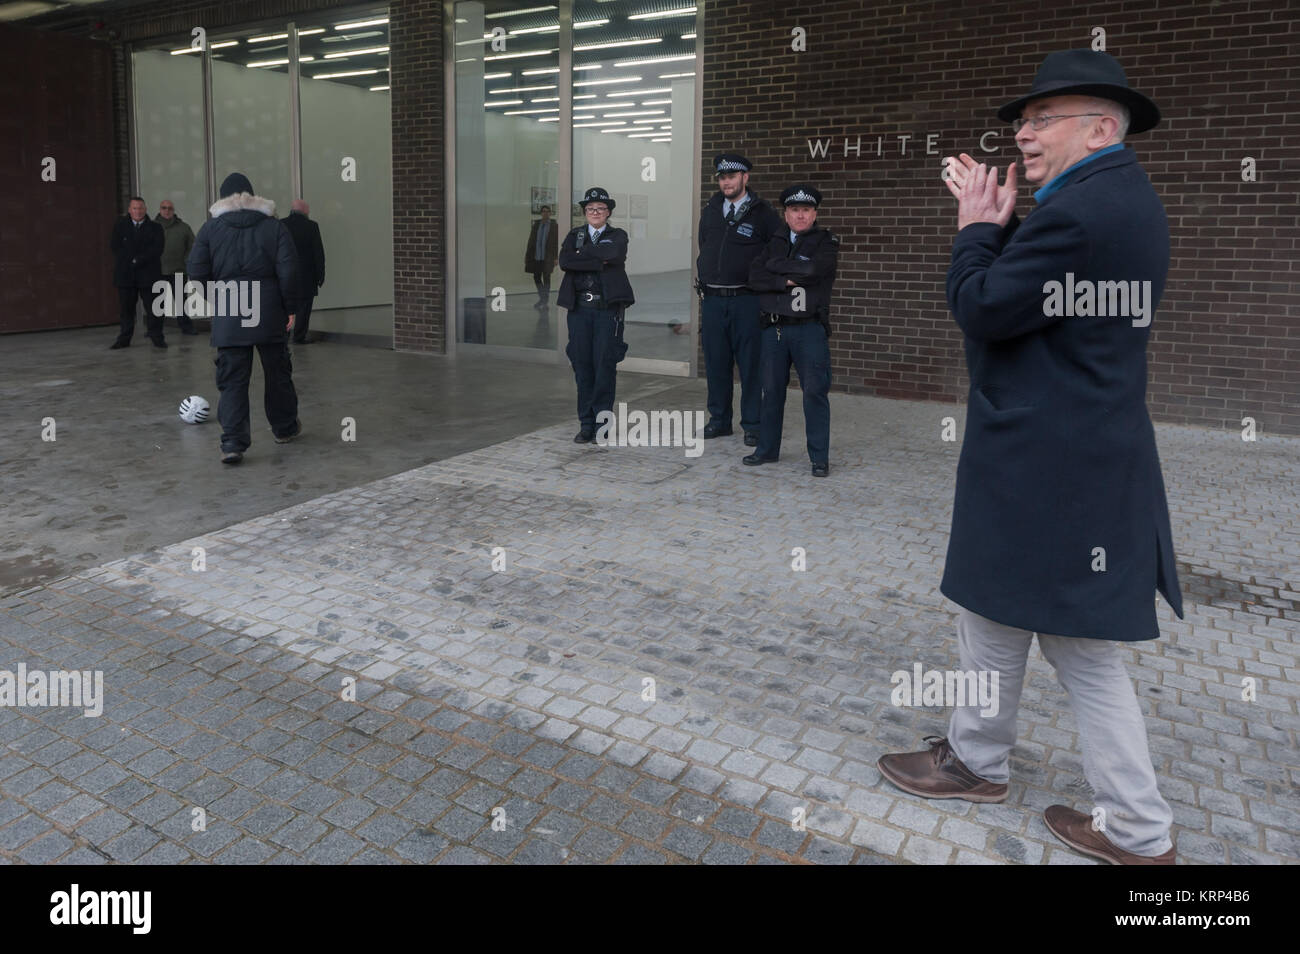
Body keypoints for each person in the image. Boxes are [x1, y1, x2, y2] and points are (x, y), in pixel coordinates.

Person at [876, 50, 1185, 865]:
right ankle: (976, 758)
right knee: (992, 609)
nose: (1024, 131)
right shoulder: (1108, 198)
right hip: (1072, 458)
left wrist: (977, 229)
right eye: (1024, 118)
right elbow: (1048, 291)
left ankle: (1139, 830)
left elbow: (985, 306)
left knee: (1082, 651)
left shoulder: (1079, 212)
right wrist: (1010, 226)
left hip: (1054, 469)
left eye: (1044, 118)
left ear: (1102, 126)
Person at [186, 172, 302, 465]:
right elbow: (289, 271)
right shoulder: (274, 227)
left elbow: (196, 273)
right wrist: (289, 307)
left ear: (223, 199)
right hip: (268, 312)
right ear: (253, 196)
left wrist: (220, 300)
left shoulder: (210, 229)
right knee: (278, 374)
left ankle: (233, 443)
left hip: (230, 312)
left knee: (232, 380)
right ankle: (285, 429)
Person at [743, 185, 839, 477]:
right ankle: (767, 449)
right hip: (775, 330)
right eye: (794, 210)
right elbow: (754, 277)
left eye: (806, 210)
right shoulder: (774, 241)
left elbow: (813, 272)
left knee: (815, 392)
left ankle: (819, 458)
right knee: (770, 391)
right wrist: (786, 277)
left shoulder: (825, 242)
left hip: (809, 329)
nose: (800, 215)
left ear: (814, 213)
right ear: (786, 213)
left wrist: (776, 269)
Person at [695, 154, 782, 445]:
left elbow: (777, 252)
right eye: (722, 177)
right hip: (713, 300)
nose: (726, 182)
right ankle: (719, 420)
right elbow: (704, 244)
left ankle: (753, 424)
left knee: (750, 366)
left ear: (746, 178)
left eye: (732, 176)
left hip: (747, 300)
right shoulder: (710, 210)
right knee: (716, 364)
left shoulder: (763, 214)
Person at [557, 187, 634, 443]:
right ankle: (586, 423)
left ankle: (602, 424)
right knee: (582, 366)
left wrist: (583, 257)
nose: (595, 212)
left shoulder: (617, 235)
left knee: (604, 366)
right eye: (591, 209)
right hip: (579, 310)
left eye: (600, 209)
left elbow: (613, 254)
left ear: (608, 212)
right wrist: (596, 260)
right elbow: (565, 261)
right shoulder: (574, 235)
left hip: (606, 311)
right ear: (585, 212)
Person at [109, 196, 165, 349]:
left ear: (145, 209)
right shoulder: (120, 226)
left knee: (154, 310)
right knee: (126, 310)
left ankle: (157, 337)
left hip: (149, 275)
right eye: (135, 208)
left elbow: (157, 249)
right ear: (129, 210)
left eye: (140, 208)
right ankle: (124, 339)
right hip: (126, 276)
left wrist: (138, 259)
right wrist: (131, 259)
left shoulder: (156, 228)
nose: (138, 211)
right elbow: (115, 247)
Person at [282, 199, 326, 344]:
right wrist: (320, 275)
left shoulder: (281, 224)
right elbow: (318, 253)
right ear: (305, 211)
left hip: (285, 274)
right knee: (304, 308)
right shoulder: (311, 226)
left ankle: (284, 334)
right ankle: (299, 336)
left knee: (284, 305)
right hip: (306, 275)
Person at [155, 199, 197, 335]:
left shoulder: (183, 227)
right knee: (156, 303)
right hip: (157, 270)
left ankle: (186, 326)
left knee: (181, 301)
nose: (167, 211)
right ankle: (154, 329)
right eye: (164, 208)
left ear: (174, 211)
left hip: (178, 269)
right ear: (160, 210)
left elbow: (193, 246)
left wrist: (186, 261)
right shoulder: (151, 227)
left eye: (170, 208)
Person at [524, 204, 558, 310]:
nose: (545, 213)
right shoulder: (536, 224)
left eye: (547, 211)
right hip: (536, 256)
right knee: (536, 277)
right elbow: (531, 240)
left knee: (547, 278)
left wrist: (556, 257)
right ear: (541, 213)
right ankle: (543, 298)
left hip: (548, 257)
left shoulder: (554, 225)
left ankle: (544, 300)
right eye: (544, 211)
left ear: (550, 213)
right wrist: (527, 255)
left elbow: (556, 242)